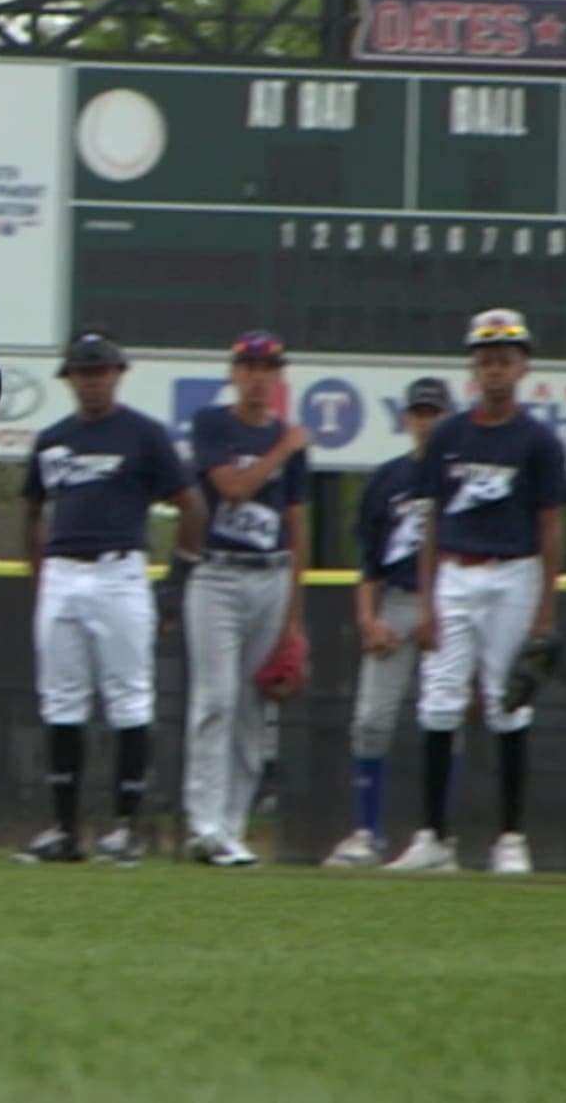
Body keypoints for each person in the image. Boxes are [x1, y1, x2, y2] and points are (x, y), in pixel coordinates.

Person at [386, 309, 566, 876]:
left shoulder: (538, 441)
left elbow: (551, 527)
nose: (494, 369)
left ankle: (510, 839)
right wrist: (427, 600)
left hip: (515, 572)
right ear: (474, 369)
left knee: (506, 702)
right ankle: (433, 838)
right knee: (439, 701)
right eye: (485, 360)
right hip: (454, 573)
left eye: (505, 360)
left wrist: (545, 612)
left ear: (522, 368)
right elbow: (431, 521)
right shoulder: (449, 434)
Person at [13, 330, 202, 865]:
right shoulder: (52, 439)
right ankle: (65, 829)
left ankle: (124, 828)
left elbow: (191, 507)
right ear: (69, 379)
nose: (92, 381)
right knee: (61, 700)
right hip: (63, 572)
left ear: (118, 375)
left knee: (129, 699)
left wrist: (176, 583)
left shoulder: (143, 435)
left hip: (120, 570)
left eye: (101, 371)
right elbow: (31, 510)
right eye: (83, 372)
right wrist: (39, 575)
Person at [182, 330, 310, 867]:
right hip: (217, 576)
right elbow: (232, 489)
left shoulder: (290, 439)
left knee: (252, 710)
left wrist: (294, 620)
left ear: (277, 376)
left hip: (271, 576)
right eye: (249, 367)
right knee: (216, 699)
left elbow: (298, 527)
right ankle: (203, 825)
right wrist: (283, 448)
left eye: (268, 368)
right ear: (235, 374)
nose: (258, 377)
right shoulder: (215, 424)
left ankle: (232, 828)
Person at [322, 377, 450, 867]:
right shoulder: (388, 478)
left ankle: (441, 839)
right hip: (396, 602)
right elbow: (369, 563)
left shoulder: (459, 478)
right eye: (419, 412)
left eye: (434, 413)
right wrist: (367, 619)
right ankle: (366, 833)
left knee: (444, 721)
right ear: (407, 419)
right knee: (371, 721)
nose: (426, 421)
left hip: (447, 602)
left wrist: (443, 610)